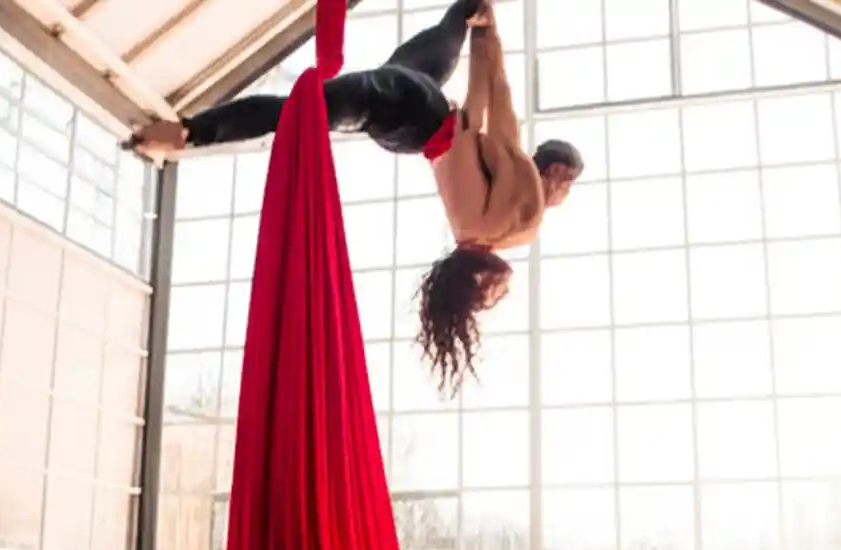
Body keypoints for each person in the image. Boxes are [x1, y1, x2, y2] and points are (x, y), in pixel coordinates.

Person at [127, 0, 584, 394]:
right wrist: (486, 36)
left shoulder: (518, 217)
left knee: (302, 111)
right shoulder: (495, 226)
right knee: (455, 25)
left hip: (409, 108)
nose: (500, 296)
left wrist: (491, 39)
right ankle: (190, 133)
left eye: (487, 298)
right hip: (416, 111)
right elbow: (485, 115)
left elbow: (496, 114)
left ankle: (190, 132)